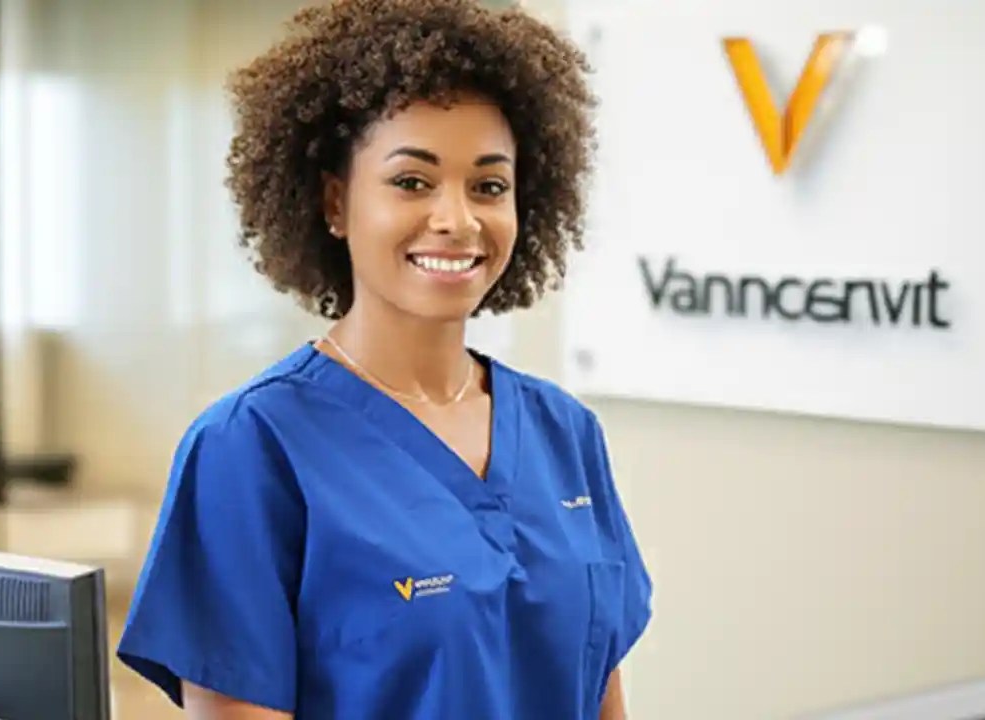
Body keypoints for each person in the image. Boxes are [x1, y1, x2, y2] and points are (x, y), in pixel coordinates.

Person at [115, 0, 652, 718]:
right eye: (411, 182)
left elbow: (602, 692)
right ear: (336, 203)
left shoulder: (565, 433)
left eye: (489, 186)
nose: (457, 219)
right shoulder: (251, 447)